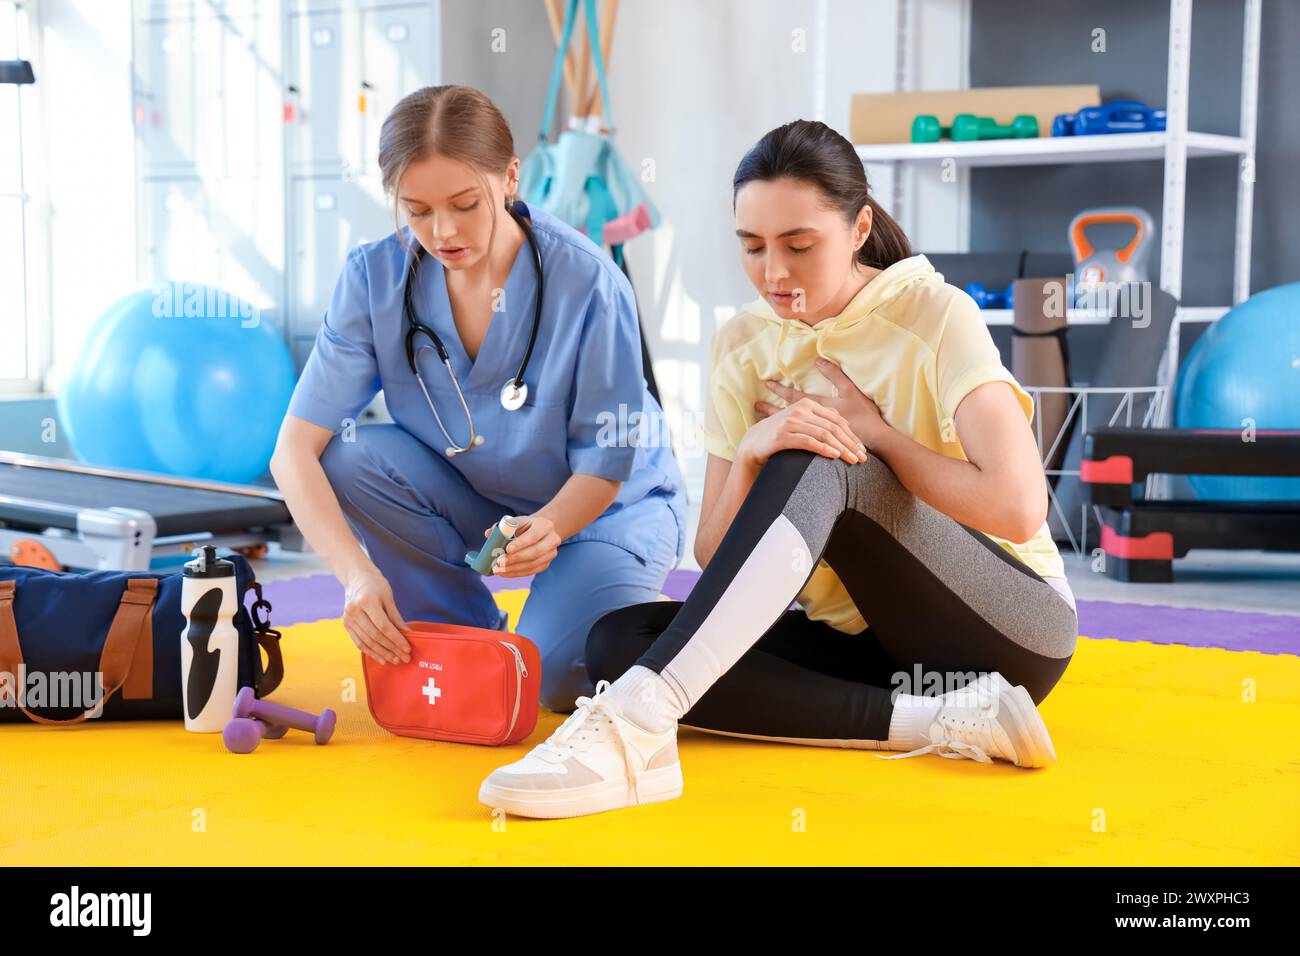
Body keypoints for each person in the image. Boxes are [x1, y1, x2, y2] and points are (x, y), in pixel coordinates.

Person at [478, 119, 1079, 819]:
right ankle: (935, 721)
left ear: (858, 230)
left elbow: (1018, 507)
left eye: (799, 246)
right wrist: (755, 452)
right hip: (870, 651)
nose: (774, 273)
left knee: (823, 451)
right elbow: (712, 553)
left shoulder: (936, 315)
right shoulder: (740, 347)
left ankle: (639, 724)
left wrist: (876, 435)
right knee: (618, 641)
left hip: (1010, 630)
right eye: (754, 247)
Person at [270, 85, 685, 710]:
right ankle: (463, 632)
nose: (443, 232)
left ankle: (604, 594)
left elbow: (606, 464)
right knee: (348, 457)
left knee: (551, 683)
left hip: (607, 511)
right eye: (416, 210)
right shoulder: (374, 279)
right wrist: (356, 576)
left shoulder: (588, 281)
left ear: (511, 177)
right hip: (482, 506)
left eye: (466, 204)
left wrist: (548, 528)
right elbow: (294, 451)